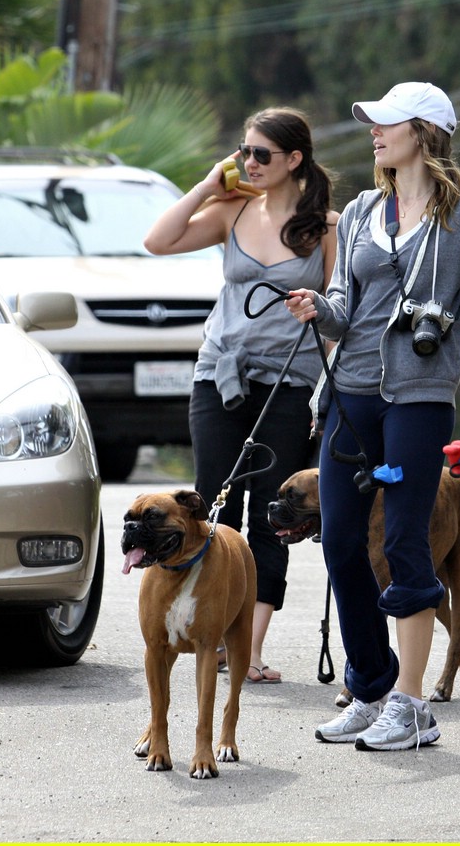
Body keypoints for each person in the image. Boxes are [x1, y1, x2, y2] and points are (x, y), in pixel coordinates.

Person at [285, 82, 460, 750]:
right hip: (349, 393)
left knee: (403, 543)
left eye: (386, 123)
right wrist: (321, 305)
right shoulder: (366, 209)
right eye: (371, 123)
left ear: (424, 131)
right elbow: (345, 303)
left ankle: (411, 704)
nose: (373, 133)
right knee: (341, 541)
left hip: (419, 398)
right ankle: (370, 688)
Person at [144, 107, 337, 683]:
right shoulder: (231, 209)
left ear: (294, 160)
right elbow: (159, 240)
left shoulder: (327, 226)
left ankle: (246, 651)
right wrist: (210, 181)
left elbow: (340, 312)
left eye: (260, 155)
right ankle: (202, 632)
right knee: (208, 503)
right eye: (243, 152)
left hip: (288, 381)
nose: (248, 163)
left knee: (270, 515)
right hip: (219, 375)